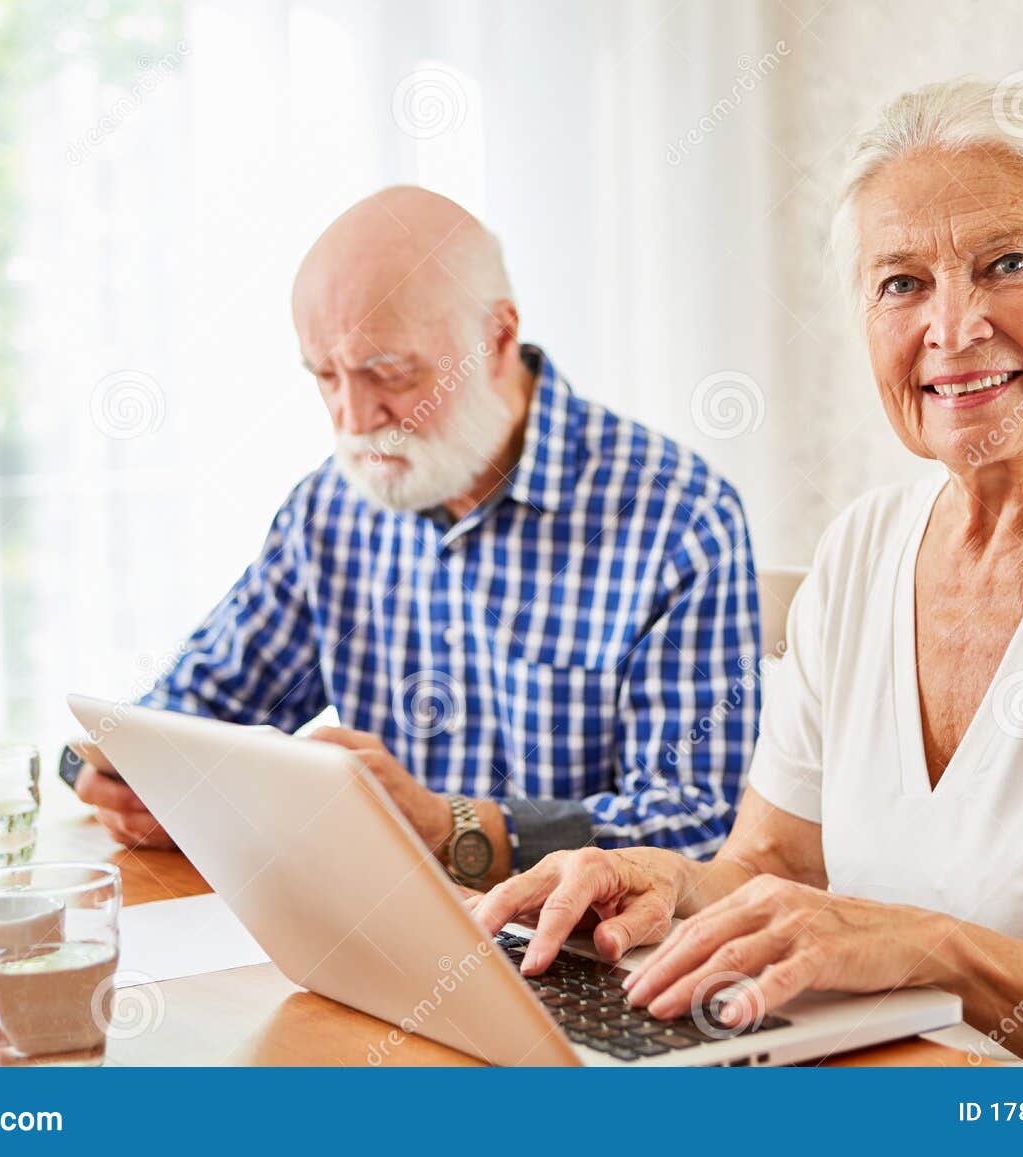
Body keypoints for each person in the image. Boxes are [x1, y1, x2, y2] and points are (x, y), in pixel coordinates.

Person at [472, 79, 1023, 1066]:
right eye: (901, 282)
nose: (952, 327)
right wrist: (665, 882)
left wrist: (934, 951)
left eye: (1008, 264)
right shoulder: (861, 549)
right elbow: (771, 864)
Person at [62, 187, 761, 890]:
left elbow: (697, 824)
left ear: (497, 338)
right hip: (374, 932)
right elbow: (187, 718)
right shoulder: (332, 509)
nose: (355, 415)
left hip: (587, 956)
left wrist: (449, 826)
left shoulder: (677, 518)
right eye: (325, 376)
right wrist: (125, 780)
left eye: (389, 374)